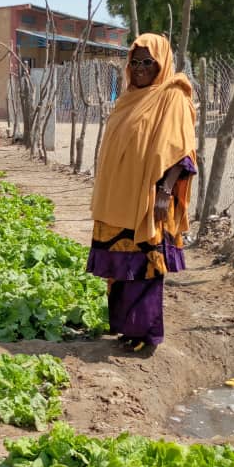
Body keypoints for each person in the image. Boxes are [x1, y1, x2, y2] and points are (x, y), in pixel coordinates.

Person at [87, 33, 197, 356]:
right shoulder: (128, 99)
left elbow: (182, 151)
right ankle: (125, 328)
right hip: (116, 200)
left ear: (161, 63)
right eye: (134, 62)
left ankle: (146, 335)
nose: (139, 69)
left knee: (145, 267)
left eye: (147, 62)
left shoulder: (173, 96)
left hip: (147, 201)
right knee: (121, 266)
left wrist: (165, 191)